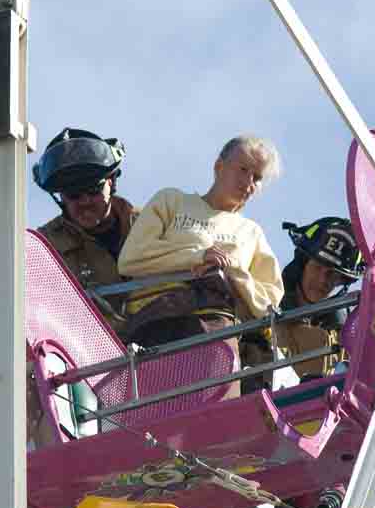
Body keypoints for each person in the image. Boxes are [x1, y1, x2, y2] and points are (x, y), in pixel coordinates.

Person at [116, 135, 284, 394]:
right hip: (154, 325)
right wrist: (197, 256)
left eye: (257, 178)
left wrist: (233, 274)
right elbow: (131, 259)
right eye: (243, 170)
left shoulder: (252, 232)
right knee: (150, 418)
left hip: (216, 335)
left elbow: (270, 303)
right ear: (219, 167)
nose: (249, 182)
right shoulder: (171, 201)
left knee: (209, 418)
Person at [32, 127, 140, 329]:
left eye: (93, 189)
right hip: (94, 355)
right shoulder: (44, 247)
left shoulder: (152, 223)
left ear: (111, 181)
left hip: (161, 347)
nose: (85, 201)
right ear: (61, 198)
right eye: (73, 195)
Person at [274, 217, 364, 381]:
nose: (322, 280)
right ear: (302, 265)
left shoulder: (345, 339)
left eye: (332, 275)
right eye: (317, 267)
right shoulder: (266, 305)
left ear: (342, 282)